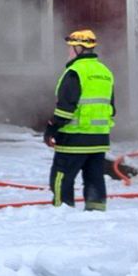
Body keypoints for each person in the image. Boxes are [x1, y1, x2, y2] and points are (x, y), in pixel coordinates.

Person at [43, 29, 115, 211]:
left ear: (79, 48)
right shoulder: (105, 73)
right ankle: (96, 211)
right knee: (94, 177)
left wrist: (52, 129)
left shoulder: (74, 72)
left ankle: (62, 209)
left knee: (61, 176)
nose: (68, 51)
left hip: (74, 139)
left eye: (71, 47)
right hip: (99, 139)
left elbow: (66, 108)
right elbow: (111, 108)